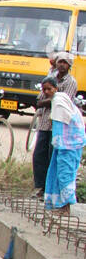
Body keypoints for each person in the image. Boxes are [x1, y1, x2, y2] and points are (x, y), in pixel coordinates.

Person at [32, 50, 78, 195]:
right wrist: (50, 99)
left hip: (58, 125)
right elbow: (39, 101)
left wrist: (51, 99)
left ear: (69, 65)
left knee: (53, 157)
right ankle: (40, 186)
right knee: (39, 155)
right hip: (44, 122)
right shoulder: (50, 78)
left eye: (65, 62)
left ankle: (51, 188)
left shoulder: (71, 82)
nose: (62, 65)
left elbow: (63, 102)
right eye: (60, 62)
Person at [44, 79, 86, 213]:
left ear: (55, 88)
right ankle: (59, 203)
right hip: (66, 144)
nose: (46, 92)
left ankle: (65, 206)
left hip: (69, 144)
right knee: (59, 172)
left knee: (65, 174)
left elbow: (63, 120)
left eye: (49, 89)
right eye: (44, 89)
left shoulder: (59, 100)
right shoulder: (59, 99)